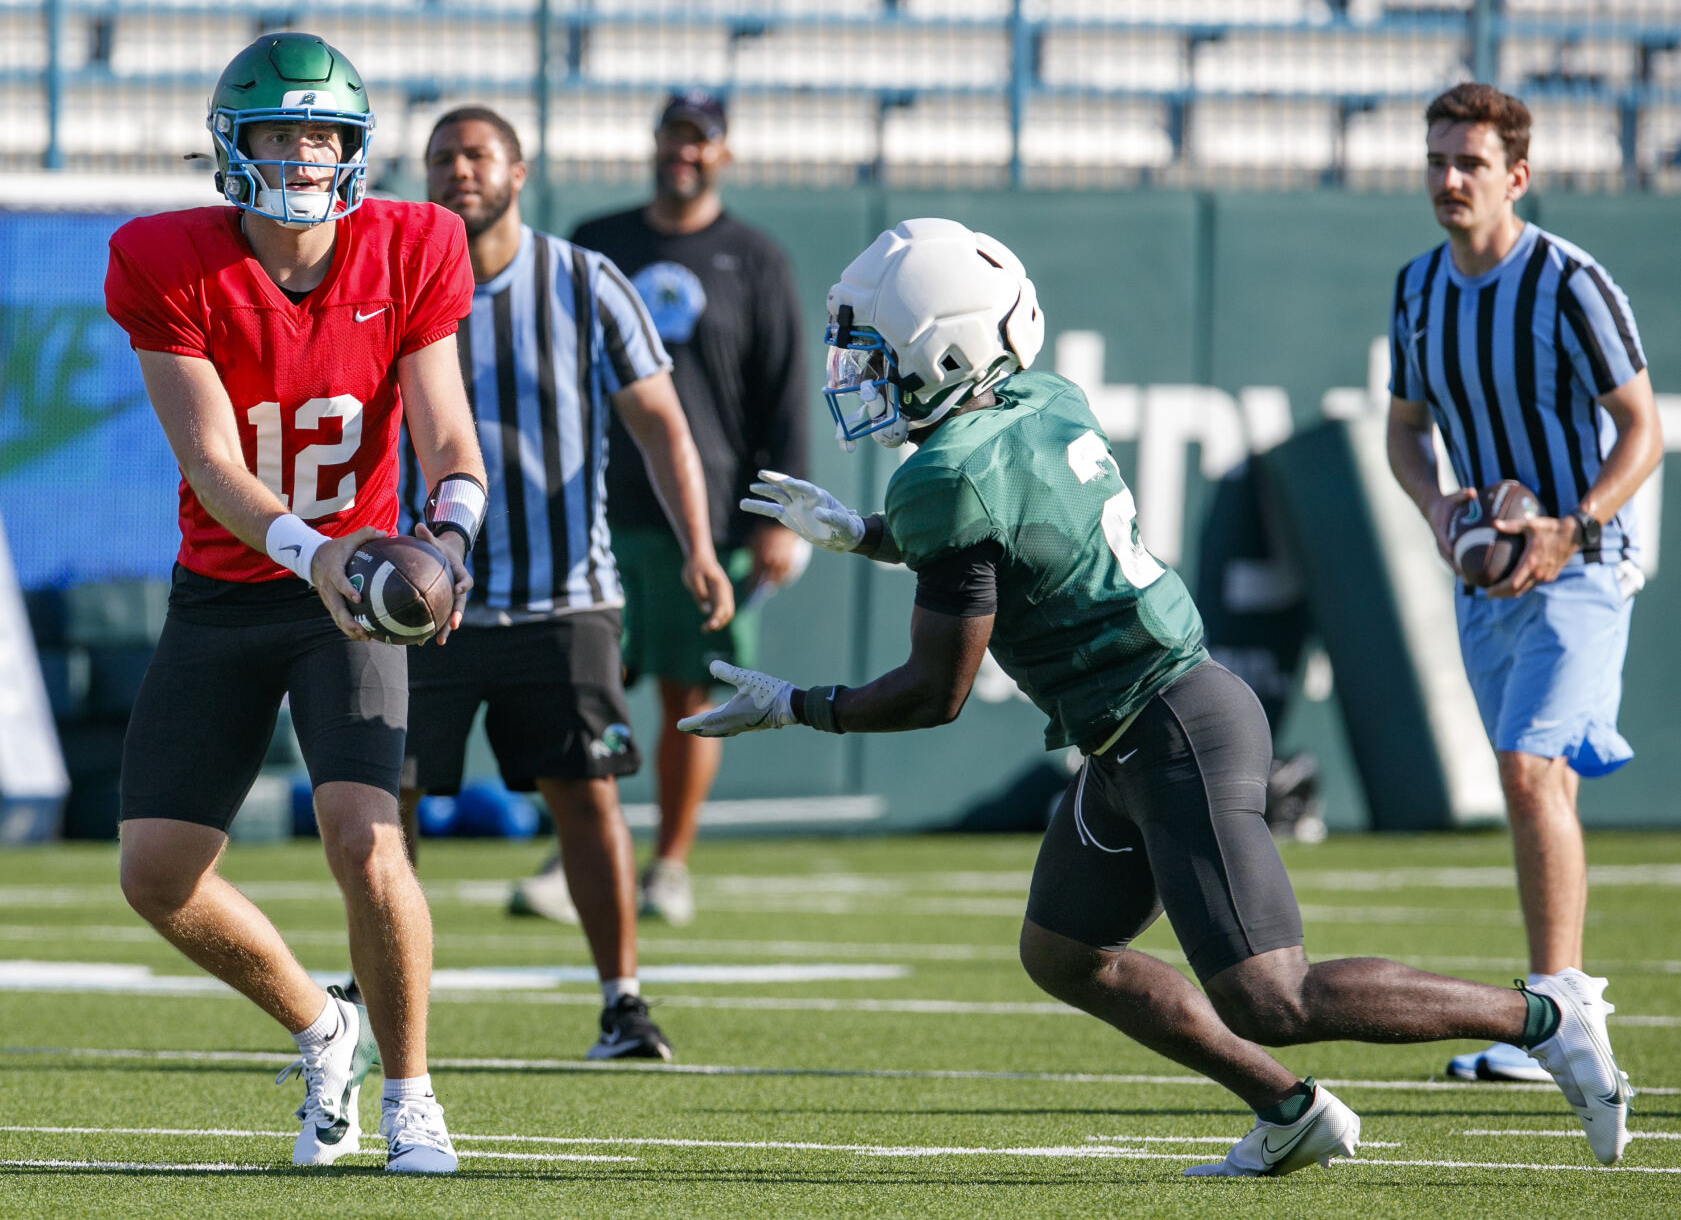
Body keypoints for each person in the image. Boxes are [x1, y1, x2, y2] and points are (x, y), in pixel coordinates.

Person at [678, 216, 1633, 1173]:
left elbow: (936, 692)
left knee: (1272, 996)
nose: (864, 379)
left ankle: (1545, 1017)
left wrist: (793, 704)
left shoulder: (946, 473)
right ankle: (1289, 1111)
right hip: (1136, 724)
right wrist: (869, 535)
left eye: (880, 357)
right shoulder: (1041, 398)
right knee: (1063, 953)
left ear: (947, 349)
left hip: (1171, 727)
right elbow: (1012, 524)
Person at [103, 33, 484, 1173]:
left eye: (325, 132)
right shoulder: (165, 259)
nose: (307, 152)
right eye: (281, 131)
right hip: (232, 583)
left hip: (356, 599)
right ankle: (327, 1027)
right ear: (235, 145)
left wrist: (450, 538)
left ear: (357, 147)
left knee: (364, 837)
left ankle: (414, 1096)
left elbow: (449, 432)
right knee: (155, 872)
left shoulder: (413, 245)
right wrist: (307, 548)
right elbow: (214, 463)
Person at [398, 105, 734, 1061]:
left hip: (562, 592)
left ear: (519, 168)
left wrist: (697, 547)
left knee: (585, 793)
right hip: (425, 600)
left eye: (476, 155)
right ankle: (386, 996)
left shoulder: (586, 279)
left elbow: (662, 423)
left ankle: (622, 1002)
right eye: (440, 157)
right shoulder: (395, 276)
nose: (458, 171)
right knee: (389, 798)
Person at [1385, 84, 1663, 1084]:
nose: (1448, 179)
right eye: (1434, 160)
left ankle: (1559, 1016)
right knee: (1530, 780)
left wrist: (1573, 525)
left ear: (1517, 176)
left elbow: (1642, 427)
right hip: (1486, 571)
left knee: (1527, 768)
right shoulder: (1416, 288)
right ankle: (1557, 1013)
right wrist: (1439, 511)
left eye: (1468, 161)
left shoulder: (1567, 281)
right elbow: (1404, 434)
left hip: (1581, 561)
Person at [509, 90, 807, 927]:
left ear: (723, 154)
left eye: (700, 142)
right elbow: (546, 369)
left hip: (706, 518)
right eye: (673, 138)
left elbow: (781, 397)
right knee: (583, 689)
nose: (684, 154)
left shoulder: (754, 258)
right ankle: (575, 855)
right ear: (652, 145)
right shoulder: (601, 243)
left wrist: (775, 516)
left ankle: (669, 864)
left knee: (690, 696)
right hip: (594, 505)